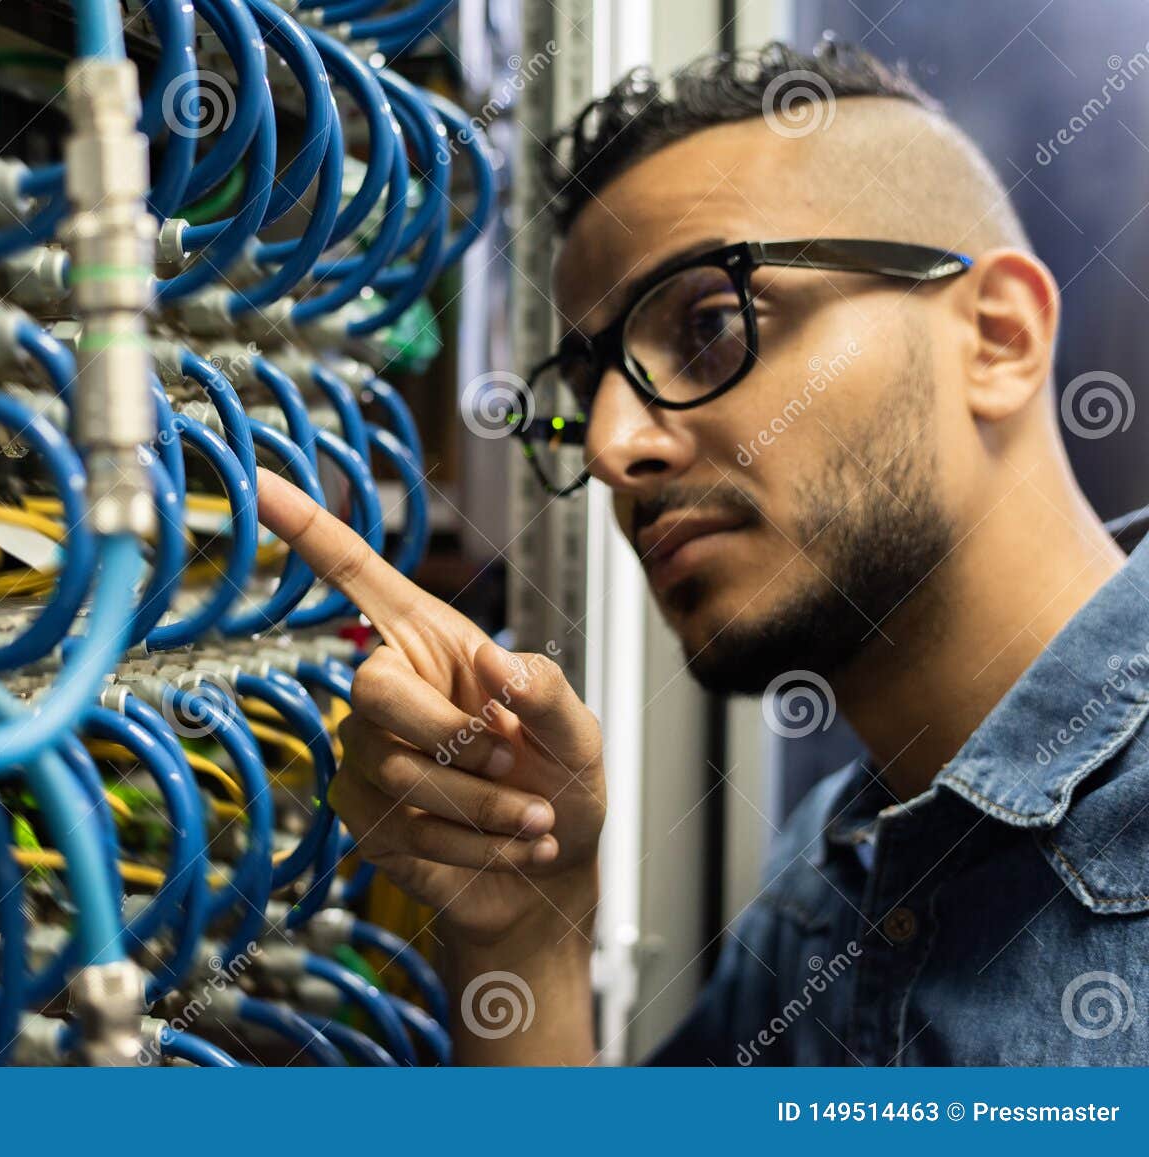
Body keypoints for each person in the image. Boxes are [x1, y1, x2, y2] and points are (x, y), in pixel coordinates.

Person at [253, 40, 1149, 1065]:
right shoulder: (836, 876)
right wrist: (527, 935)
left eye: (711, 326)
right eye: (587, 388)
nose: (608, 447)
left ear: (996, 338)